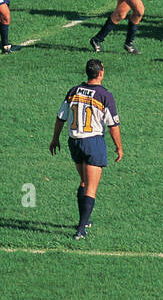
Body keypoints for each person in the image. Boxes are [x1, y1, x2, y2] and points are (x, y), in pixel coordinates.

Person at [48, 58, 122, 241]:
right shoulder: (105, 95)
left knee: (83, 181)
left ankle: (85, 221)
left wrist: (55, 138)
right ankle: (81, 229)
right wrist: (119, 147)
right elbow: (113, 125)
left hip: (74, 142)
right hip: (93, 143)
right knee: (91, 187)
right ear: (101, 73)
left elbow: (60, 117)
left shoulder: (73, 91)